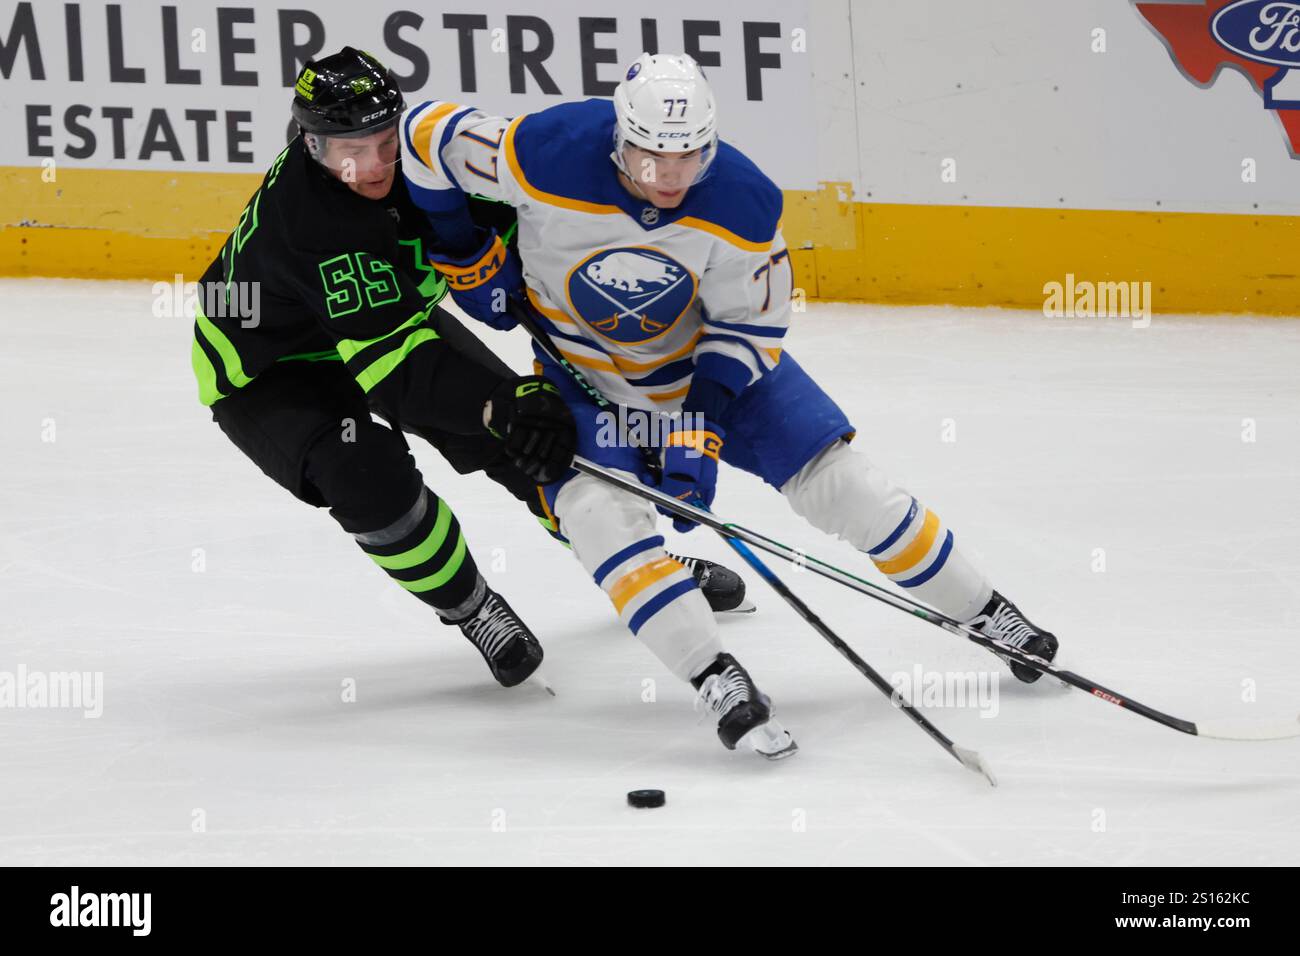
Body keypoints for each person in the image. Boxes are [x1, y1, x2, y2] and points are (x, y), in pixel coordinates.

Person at [402, 52, 1060, 756]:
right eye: (650, 158)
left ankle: (988, 613)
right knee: (597, 519)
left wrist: (697, 423)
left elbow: (746, 326)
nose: (668, 179)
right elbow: (421, 135)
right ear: (618, 138)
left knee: (845, 487)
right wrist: (462, 248)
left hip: (714, 379)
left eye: (687, 161)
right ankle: (714, 675)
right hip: (584, 379)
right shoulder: (544, 151)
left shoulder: (742, 201)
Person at [190, 47, 581, 687]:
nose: (371, 164)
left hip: (385, 326)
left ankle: (630, 561)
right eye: (348, 148)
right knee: (369, 477)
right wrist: (497, 406)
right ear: (309, 144)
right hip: (271, 366)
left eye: (383, 141)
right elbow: (397, 373)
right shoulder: (309, 219)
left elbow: (522, 227)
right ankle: (473, 606)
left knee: (529, 439)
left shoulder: (431, 154)